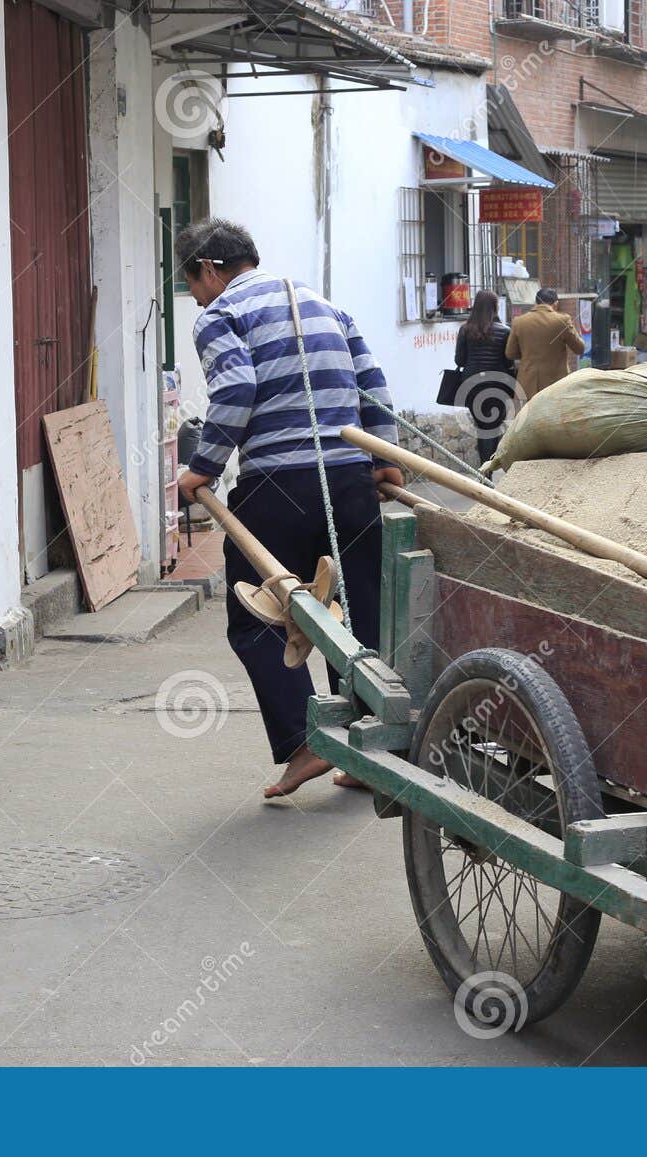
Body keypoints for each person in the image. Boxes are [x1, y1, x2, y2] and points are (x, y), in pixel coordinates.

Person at [173, 218, 405, 800]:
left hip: (277, 487)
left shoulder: (220, 314)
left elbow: (235, 390)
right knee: (358, 613)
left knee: (257, 615)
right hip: (349, 481)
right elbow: (373, 383)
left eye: (192, 282)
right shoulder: (326, 304)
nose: (195, 295)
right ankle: (371, 748)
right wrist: (384, 458)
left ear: (207, 269)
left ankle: (305, 745)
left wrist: (203, 466)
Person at [451, 290, 516, 464]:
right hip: (498, 384)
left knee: (483, 426)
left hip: (471, 386)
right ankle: (488, 469)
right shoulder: (505, 331)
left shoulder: (465, 329)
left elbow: (459, 359)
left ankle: (484, 473)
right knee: (493, 426)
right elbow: (508, 361)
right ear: (495, 307)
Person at [504, 287, 585, 401]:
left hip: (527, 384)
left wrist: (527, 353)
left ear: (535, 302)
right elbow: (579, 349)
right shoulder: (562, 320)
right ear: (555, 304)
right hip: (556, 385)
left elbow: (510, 353)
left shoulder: (519, 321)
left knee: (528, 417)